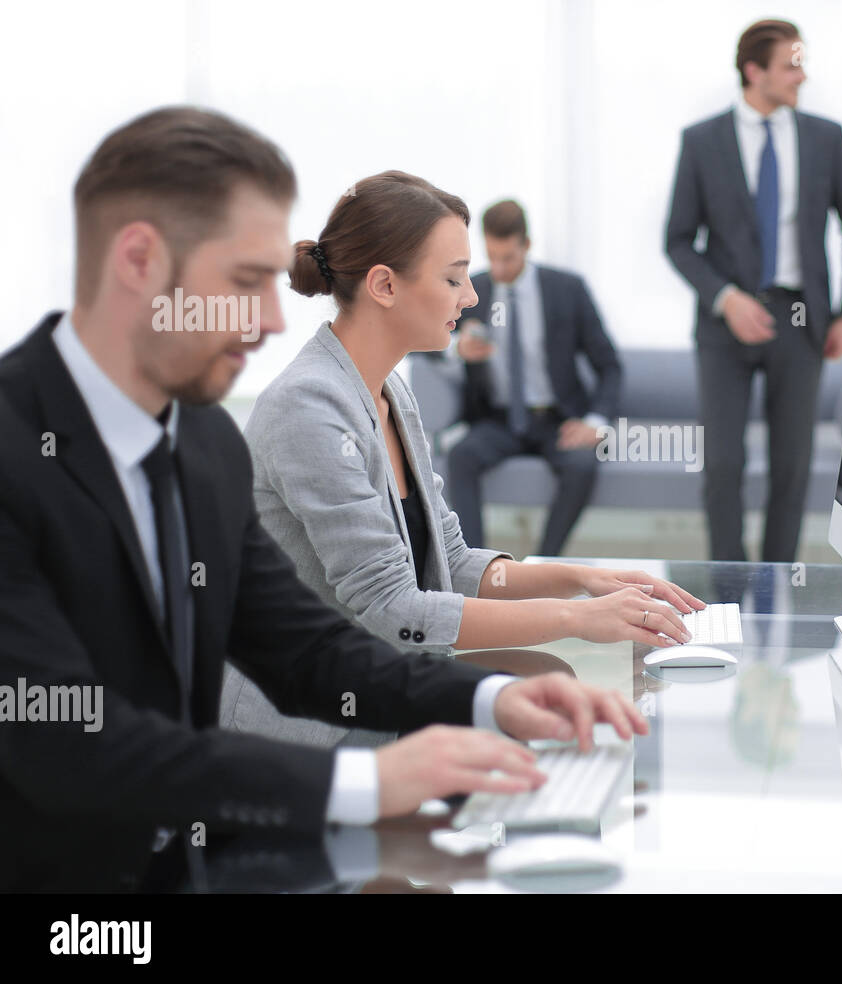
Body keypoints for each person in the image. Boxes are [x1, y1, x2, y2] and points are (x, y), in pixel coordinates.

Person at [0, 107, 649, 888]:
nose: (276, 317)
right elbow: (71, 738)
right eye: (246, 282)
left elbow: (308, 649)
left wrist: (491, 699)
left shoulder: (202, 442)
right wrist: (369, 783)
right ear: (139, 260)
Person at [223, 175, 701, 747]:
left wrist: (581, 579)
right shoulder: (307, 408)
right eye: (453, 278)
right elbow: (393, 606)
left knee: (555, 705)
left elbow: (448, 560)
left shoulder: (390, 394)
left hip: (381, 689)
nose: (471, 297)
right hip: (309, 730)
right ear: (384, 285)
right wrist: (575, 620)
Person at [665, 17, 842, 563]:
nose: (802, 77)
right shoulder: (701, 141)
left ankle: (777, 590)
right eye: (791, 65)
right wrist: (726, 298)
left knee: (793, 467)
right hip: (723, 324)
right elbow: (678, 240)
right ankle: (726, 598)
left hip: (802, 321)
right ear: (755, 71)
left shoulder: (825, 139)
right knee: (724, 467)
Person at [444, 199, 622, 556]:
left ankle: (543, 564)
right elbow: (416, 340)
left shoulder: (567, 290)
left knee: (583, 465)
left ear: (527, 245)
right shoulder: (470, 291)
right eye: (491, 256)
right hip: (497, 420)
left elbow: (610, 366)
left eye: (507, 258)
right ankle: (476, 567)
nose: (498, 268)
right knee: (460, 456)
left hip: (557, 419)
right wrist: (456, 348)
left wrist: (595, 422)